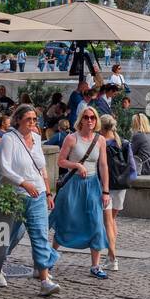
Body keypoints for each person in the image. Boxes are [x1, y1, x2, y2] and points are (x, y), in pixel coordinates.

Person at [0, 104, 61, 296]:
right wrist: (23, 183)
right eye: (28, 120)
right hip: (14, 194)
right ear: (18, 120)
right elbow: (5, 169)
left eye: (35, 120)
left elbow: (41, 168)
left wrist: (48, 192)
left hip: (38, 193)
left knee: (40, 235)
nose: (33, 123)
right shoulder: (9, 139)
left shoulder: (36, 138)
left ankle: (44, 279)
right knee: (10, 234)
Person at [51, 106, 111, 279]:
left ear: (96, 120)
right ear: (81, 119)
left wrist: (105, 191)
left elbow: (103, 166)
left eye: (93, 117)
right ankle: (48, 260)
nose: (90, 120)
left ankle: (95, 266)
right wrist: (76, 165)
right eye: (86, 117)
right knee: (66, 221)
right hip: (74, 185)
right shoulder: (71, 138)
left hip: (93, 185)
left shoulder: (100, 140)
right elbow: (60, 161)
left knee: (96, 223)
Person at [99, 114, 135, 272]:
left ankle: (113, 258)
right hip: (121, 186)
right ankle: (110, 255)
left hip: (105, 186)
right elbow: (132, 167)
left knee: (107, 221)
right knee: (112, 220)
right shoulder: (124, 142)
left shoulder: (100, 143)